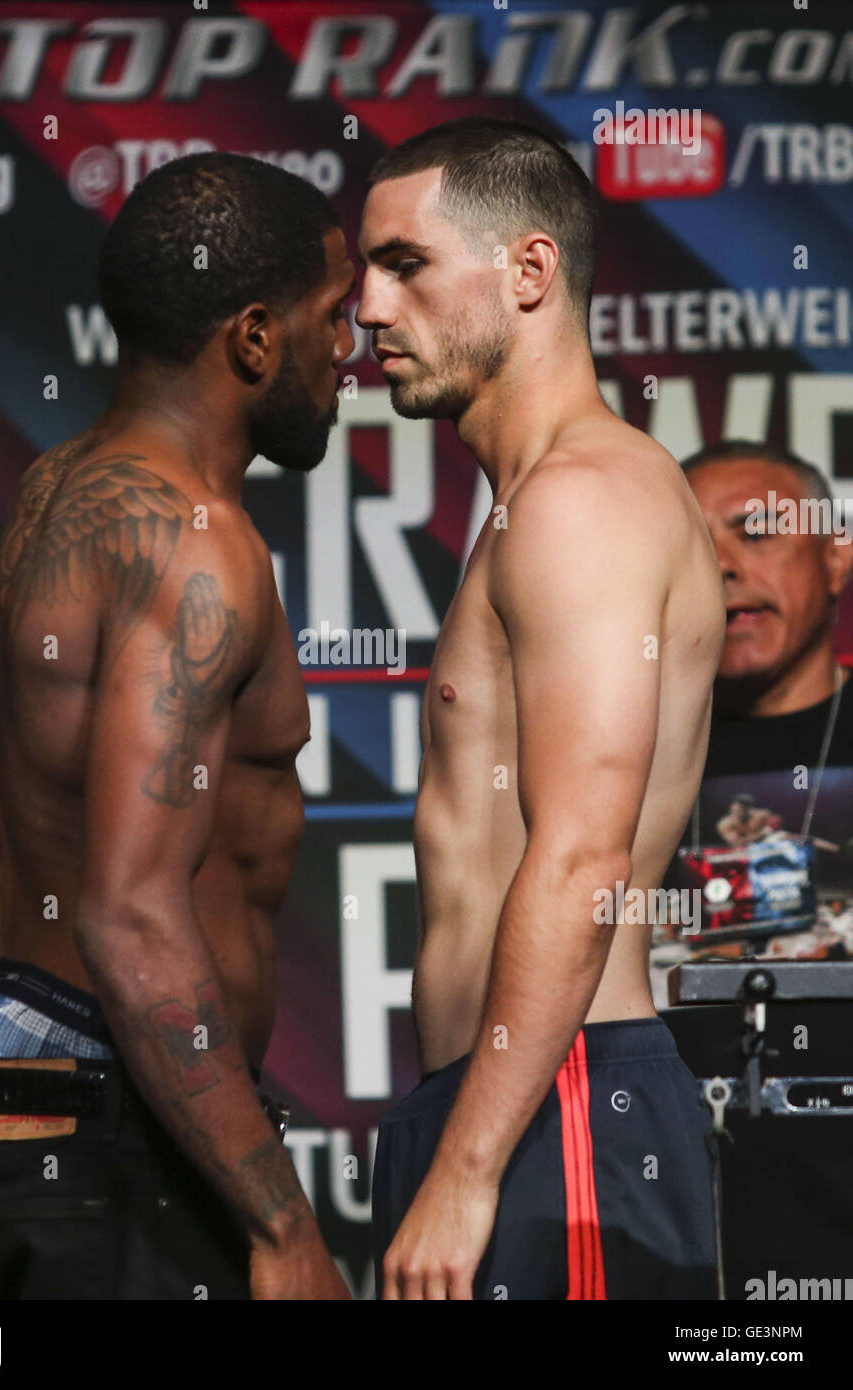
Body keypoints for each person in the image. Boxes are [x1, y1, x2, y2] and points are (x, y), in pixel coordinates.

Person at [0, 153, 356, 1300]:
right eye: (336, 317)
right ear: (255, 337)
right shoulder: (197, 544)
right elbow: (125, 909)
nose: (348, 351)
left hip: (44, 1132)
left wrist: (48, 1068)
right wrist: (280, 1225)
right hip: (115, 1154)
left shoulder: (51, 497)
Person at [356, 117, 725, 1300]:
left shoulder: (582, 499)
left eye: (402, 265)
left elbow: (581, 858)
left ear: (529, 271)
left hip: (561, 1106)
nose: (364, 309)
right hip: (507, 1104)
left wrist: (468, 1170)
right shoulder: (532, 504)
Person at [657, 439, 853, 1299]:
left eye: (757, 531)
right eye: (696, 547)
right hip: (666, 1234)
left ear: (835, 554)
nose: (725, 568)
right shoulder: (617, 765)